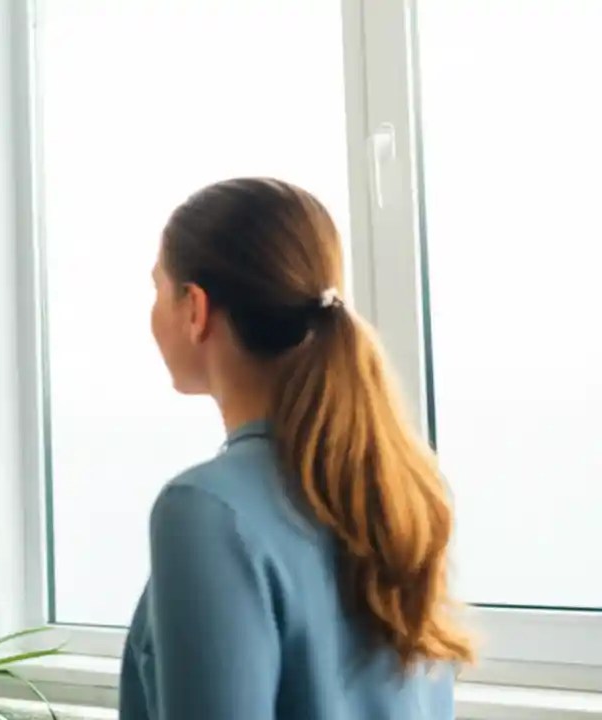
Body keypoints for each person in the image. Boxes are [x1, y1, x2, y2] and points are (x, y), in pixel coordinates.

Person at [120, 177, 474, 719]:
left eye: (156, 289)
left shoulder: (204, 510)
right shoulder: (412, 488)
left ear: (195, 308)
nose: (151, 312)